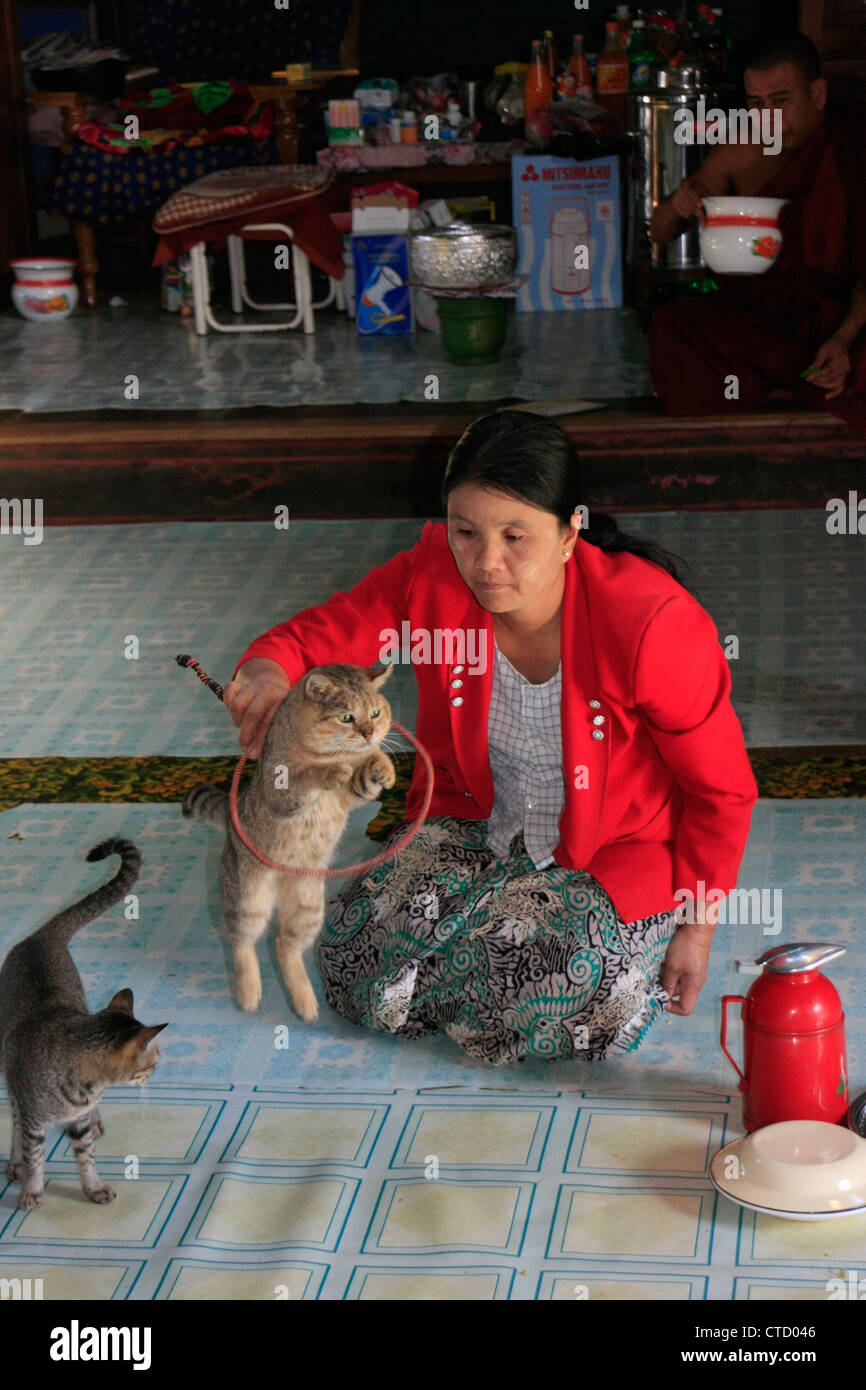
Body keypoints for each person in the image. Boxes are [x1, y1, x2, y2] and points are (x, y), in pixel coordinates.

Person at [224, 411, 758, 1065]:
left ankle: (515, 955)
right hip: (477, 824)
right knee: (349, 955)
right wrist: (268, 666)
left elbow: (722, 791)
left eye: (515, 536)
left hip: (613, 852)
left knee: (549, 971)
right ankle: (492, 955)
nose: (485, 563)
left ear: (569, 532)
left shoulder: (653, 625)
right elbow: (334, 630)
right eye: (466, 532)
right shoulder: (432, 579)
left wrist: (697, 932)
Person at [649, 32, 866, 429]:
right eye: (755, 105)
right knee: (672, 326)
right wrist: (680, 201)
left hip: (843, 318)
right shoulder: (742, 150)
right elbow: (660, 232)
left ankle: (799, 378)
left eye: (781, 102)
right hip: (765, 322)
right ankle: (787, 385)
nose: (768, 119)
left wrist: (844, 339)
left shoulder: (851, 147)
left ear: (818, 95)